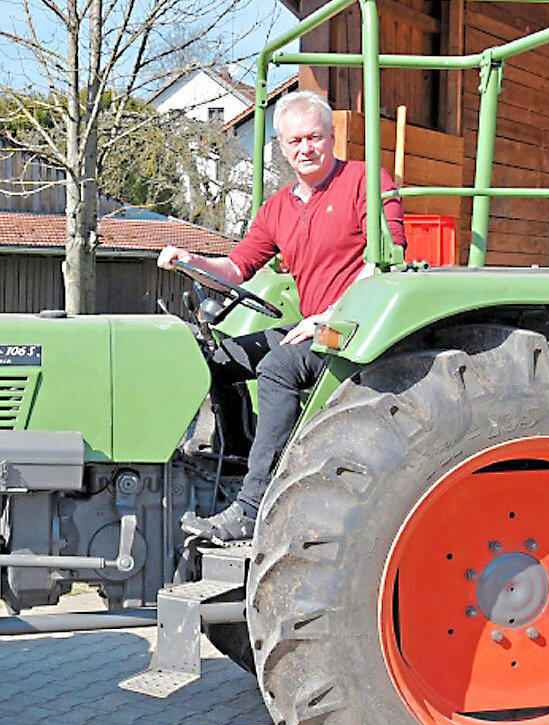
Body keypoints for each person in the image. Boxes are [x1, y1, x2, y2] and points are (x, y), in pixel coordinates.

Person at [156, 90, 406, 542]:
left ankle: (253, 508)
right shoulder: (277, 208)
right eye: (295, 141)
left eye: (314, 137)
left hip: (354, 327)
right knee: (212, 360)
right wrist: (191, 261)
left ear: (331, 137)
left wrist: (329, 315)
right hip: (312, 324)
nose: (306, 148)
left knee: (279, 367)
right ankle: (235, 461)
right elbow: (236, 268)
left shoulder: (366, 182)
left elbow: (384, 263)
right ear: (282, 147)